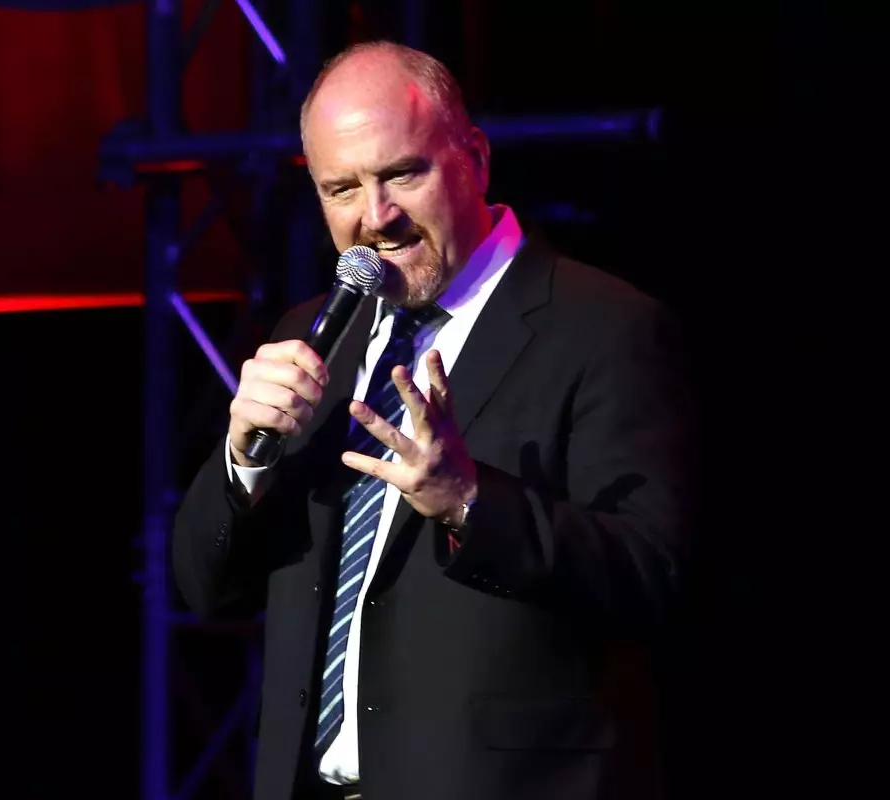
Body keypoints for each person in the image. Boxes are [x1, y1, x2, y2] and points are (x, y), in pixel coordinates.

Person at [172, 40, 696, 800]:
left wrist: (468, 502)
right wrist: (242, 459)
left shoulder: (604, 328)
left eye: (401, 175)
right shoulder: (313, 333)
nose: (374, 217)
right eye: (340, 188)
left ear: (474, 158)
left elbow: (655, 579)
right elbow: (205, 588)